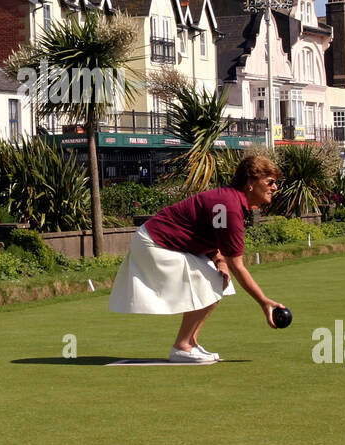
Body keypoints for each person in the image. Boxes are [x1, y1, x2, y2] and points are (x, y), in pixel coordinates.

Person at [108, 153, 288, 363]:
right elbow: (237, 266)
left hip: (167, 243)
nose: (275, 187)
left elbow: (208, 234)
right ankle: (182, 346)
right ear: (250, 182)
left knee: (220, 282)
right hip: (154, 243)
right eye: (270, 182)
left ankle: (190, 342)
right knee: (212, 281)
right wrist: (264, 302)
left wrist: (219, 260)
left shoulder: (230, 202)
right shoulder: (230, 207)